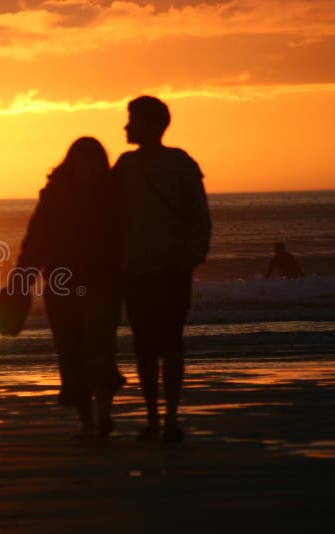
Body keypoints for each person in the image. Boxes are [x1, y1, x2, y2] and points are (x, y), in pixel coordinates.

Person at [113, 96, 212, 442]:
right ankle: (154, 417)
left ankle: (169, 417)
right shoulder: (124, 165)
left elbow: (200, 214)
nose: (126, 126)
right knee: (144, 345)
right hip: (135, 269)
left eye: (132, 120)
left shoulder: (179, 163)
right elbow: (106, 216)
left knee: (169, 343)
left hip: (170, 269)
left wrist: (192, 255)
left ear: (153, 124)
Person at [13, 137, 126, 439]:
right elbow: (35, 240)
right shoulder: (55, 196)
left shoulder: (113, 193)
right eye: (83, 161)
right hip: (63, 287)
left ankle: (102, 417)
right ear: (72, 163)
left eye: (93, 162)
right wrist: (23, 277)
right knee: (72, 351)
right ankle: (87, 422)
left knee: (101, 349)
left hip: (103, 284)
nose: (88, 168)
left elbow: (127, 239)